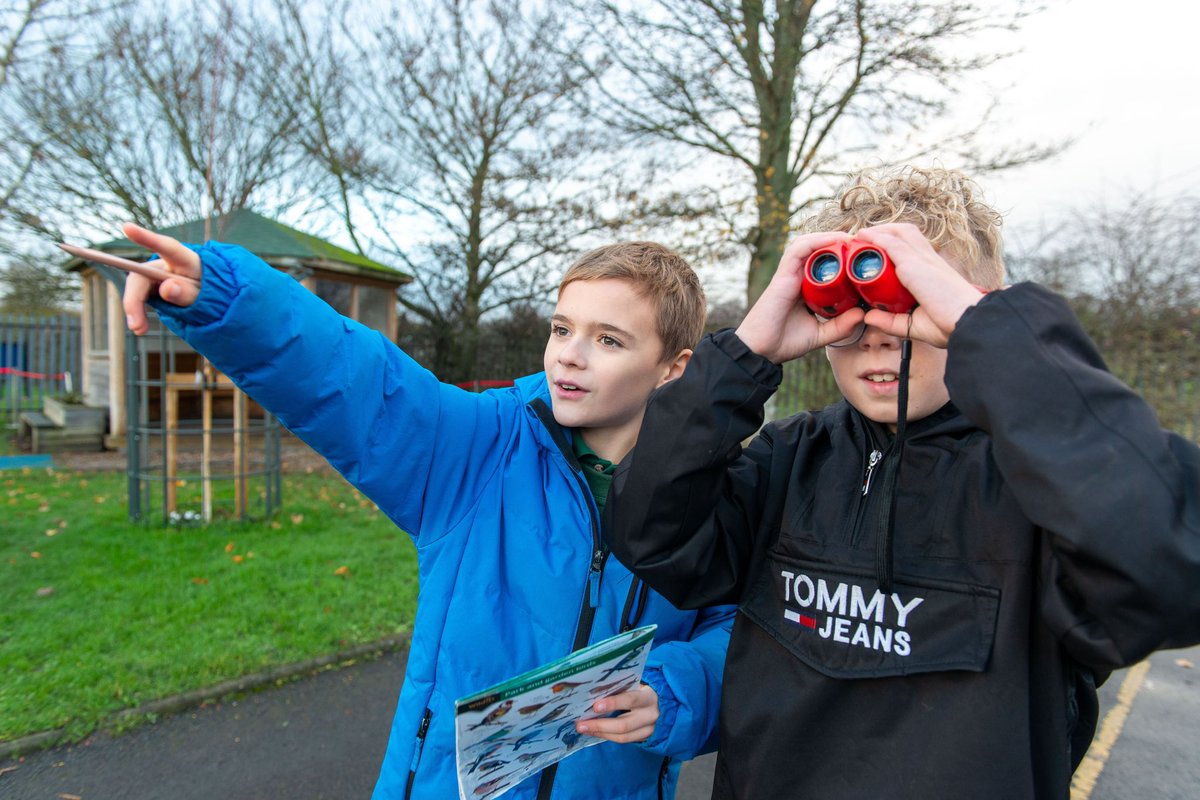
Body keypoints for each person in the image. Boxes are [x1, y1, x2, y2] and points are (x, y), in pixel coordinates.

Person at [606, 166, 1200, 798]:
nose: (878, 341)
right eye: (851, 315)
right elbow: (650, 534)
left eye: (906, 305)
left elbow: (1167, 574)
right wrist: (747, 352)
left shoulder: (1036, 485)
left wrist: (992, 333)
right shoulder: (792, 458)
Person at [119, 224, 734, 799]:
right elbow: (354, 379)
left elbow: (737, 635)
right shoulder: (479, 447)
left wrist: (677, 690)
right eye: (560, 328)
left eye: (608, 339)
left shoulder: (713, 497)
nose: (570, 356)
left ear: (672, 369)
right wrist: (226, 297)